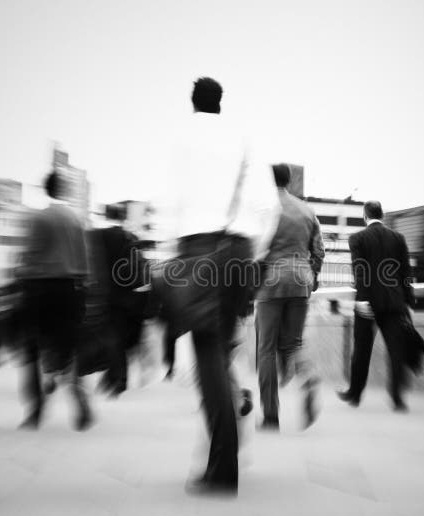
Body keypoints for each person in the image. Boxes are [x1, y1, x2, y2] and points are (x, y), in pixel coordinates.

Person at [157, 77, 279, 496]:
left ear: (193, 103)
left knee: (208, 357)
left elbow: (170, 206)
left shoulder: (181, 139)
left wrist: (173, 260)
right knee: (222, 351)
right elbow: (271, 206)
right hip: (240, 251)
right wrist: (253, 254)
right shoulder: (244, 138)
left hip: (198, 249)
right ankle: (225, 450)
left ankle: (223, 468)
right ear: (221, 103)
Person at [16, 171, 92, 431]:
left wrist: (21, 277)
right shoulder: (75, 220)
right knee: (69, 350)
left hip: (42, 289)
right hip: (71, 291)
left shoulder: (41, 218)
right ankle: (80, 398)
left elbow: (29, 257)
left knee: (32, 348)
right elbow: (84, 262)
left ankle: (36, 409)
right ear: (64, 190)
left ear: (45, 189)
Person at [255, 163, 324, 430]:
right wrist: (312, 277)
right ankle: (307, 377)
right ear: (289, 180)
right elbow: (319, 250)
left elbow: (256, 250)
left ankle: (271, 415)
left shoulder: (265, 210)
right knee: (294, 344)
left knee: (266, 349)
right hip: (300, 281)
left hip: (271, 283)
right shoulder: (307, 210)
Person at [338, 201, 415, 410]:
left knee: (361, 350)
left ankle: (355, 394)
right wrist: (409, 300)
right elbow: (406, 272)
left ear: (365, 216)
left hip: (368, 303)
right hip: (394, 303)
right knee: (396, 351)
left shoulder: (357, 238)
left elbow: (360, 270)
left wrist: (362, 299)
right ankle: (397, 398)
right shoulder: (398, 238)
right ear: (382, 214)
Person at [93, 204, 149, 397]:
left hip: (109, 297)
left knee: (112, 339)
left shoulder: (100, 236)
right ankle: (117, 378)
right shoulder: (130, 237)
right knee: (122, 340)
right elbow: (143, 267)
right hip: (131, 296)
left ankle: (116, 379)